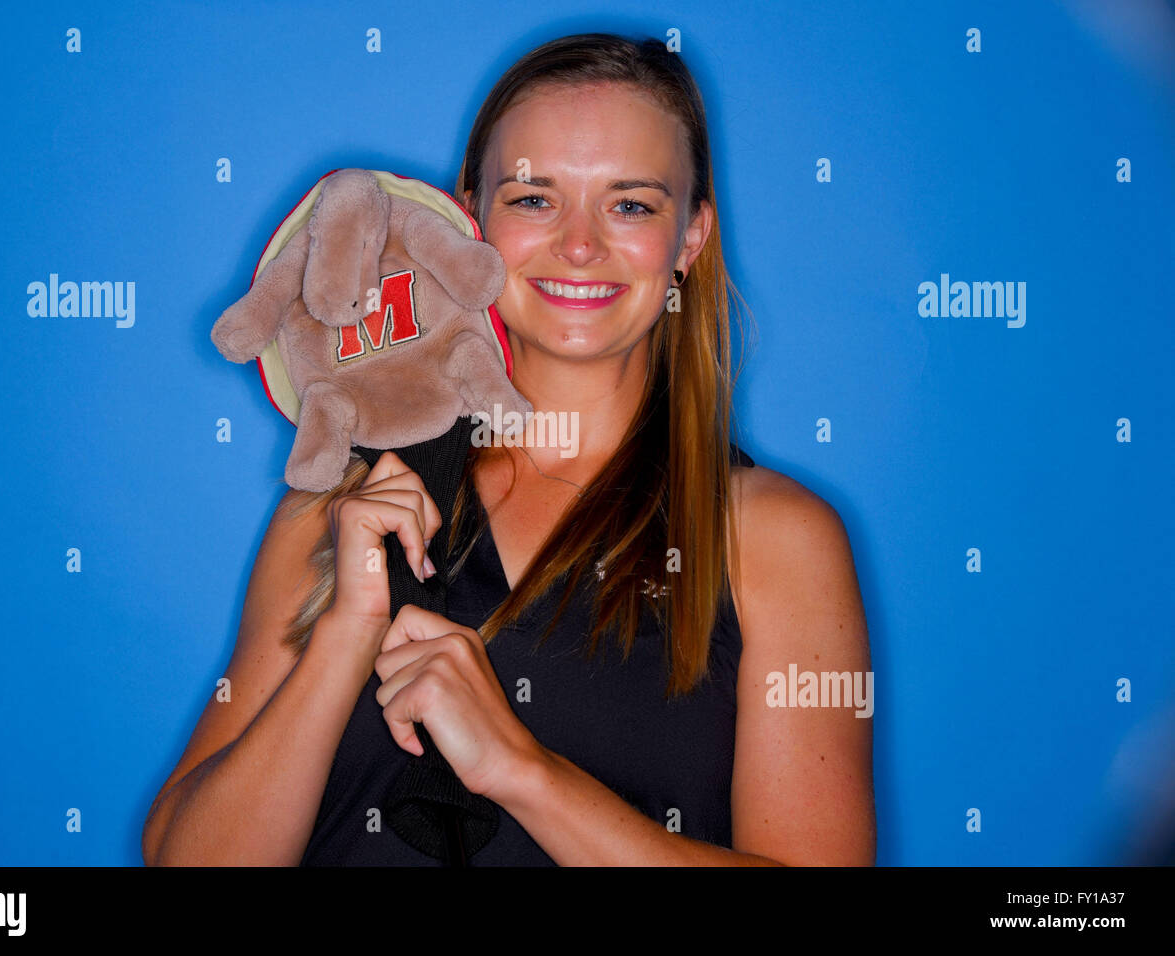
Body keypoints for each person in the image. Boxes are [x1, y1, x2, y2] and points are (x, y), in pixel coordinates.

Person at [142, 32, 875, 866]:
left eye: (630, 204)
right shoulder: (344, 507)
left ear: (691, 238)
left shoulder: (776, 536)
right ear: (466, 221)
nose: (580, 245)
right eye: (533, 199)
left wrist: (520, 770)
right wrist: (348, 631)